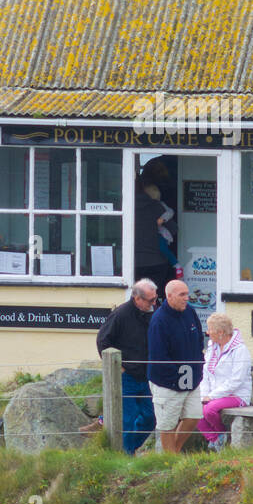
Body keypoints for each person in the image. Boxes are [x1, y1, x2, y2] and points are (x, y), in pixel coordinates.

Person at [91, 279, 158, 453]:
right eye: (150, 300)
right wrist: (117, 367)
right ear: (137, 299)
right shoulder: (120, 314)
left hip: (146, 375)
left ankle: (128, 449)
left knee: (150, 418)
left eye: (155, 299)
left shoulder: (152, 312)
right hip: (126, 375)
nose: (154, 303)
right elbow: (103, 340)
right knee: (127, 419)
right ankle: (124, 455)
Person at [147, 278, 205, 453]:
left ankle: (174, 452)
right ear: (169, 296)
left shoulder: (191, 312)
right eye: (182, 295)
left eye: (187, 294)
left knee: (194, 416)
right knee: (168, 424)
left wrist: (198, 370)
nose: (187, 298)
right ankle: (169, 461)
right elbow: (159, 356)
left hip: (191, 379)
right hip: (167, 382)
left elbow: (199, 340)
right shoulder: (159, 320)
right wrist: (176, 378)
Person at [196, 313, 252, 450]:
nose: (207, 332)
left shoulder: (240, 350)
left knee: (209, 409)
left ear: (220, 332)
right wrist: (204, 395)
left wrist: (212, 396)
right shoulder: (212, 348)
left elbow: (236, 380)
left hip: (237, 394)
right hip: (215, 394)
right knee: (193, 409)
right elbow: (206, 374)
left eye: (210, 329)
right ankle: (216, 439)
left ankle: (221, 434)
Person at [134, 178, 173, 293]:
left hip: (134, 261)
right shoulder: (157, 207)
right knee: (154, 294)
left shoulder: (125, 206)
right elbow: (174, 229)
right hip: (156, 260)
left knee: (137, 295)